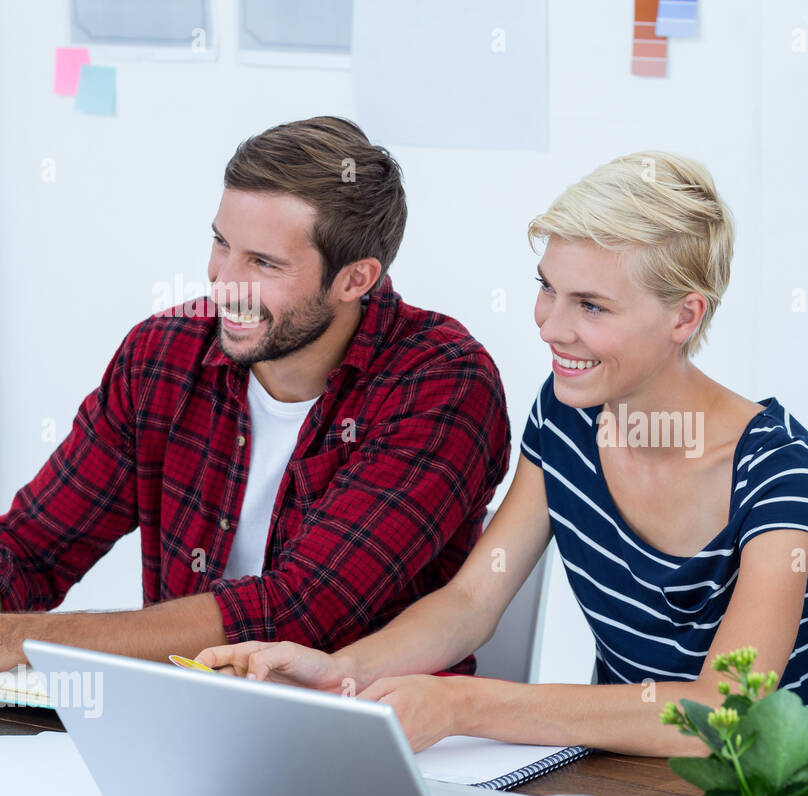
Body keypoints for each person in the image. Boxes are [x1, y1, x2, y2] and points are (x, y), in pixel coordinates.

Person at [198, 152, 808, 758]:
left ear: (685, 316)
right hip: (622, 780)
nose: (552, 326)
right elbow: (472, 602)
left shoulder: (779, 470)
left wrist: (464, 705)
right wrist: (341, 671)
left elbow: (723, 711)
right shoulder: (567, 417)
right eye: (547, 288)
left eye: (591, 305)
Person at [0, 116, 510, 674]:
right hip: (177, 719)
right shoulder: (162, 356)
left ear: (355, 279)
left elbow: (299, 610)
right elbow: (32, 549)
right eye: (222, 243)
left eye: (263, 263)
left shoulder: (441, 383)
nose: (223, 283)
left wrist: (23, 639)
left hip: (356, 734)